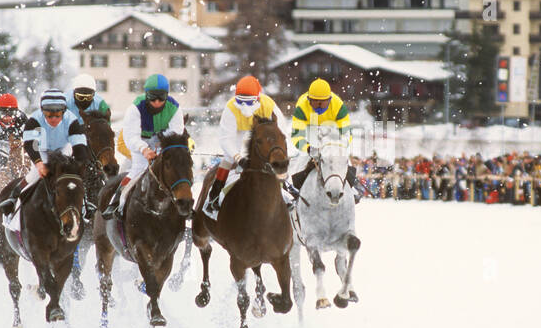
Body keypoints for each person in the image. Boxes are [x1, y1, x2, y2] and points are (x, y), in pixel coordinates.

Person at [200, 75, 287, 219]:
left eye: (249, 102)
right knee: (228, 159)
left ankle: (285, 191)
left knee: (277, 159)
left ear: (258, 98)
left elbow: (281, 134)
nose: (245, 107)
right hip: (238, 130)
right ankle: (214, 194)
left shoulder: (269, 106)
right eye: (240, 101)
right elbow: (226, 139)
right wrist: (238, 158)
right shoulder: (231, 108)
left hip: (263, 132)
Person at [0, 89, 91, 221]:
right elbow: (30, 144)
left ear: (64, 111)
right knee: (34, 175)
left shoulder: (72, 120)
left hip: (63, 149)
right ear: (42, 111)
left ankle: (85, 204)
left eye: (58, 114)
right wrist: (39, 163)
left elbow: (80, 146)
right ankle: (13, 199)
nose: (54, 119)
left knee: (72, 177)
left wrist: (79, 165)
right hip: (42, 150)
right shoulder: (34, 120)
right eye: (48, 114)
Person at [100, 73, 184, 219]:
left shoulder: (175, 108)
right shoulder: (135, 108)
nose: (157, 102)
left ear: (167, 95)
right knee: (139, 169)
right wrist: (144, 149)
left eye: (161, 98)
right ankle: (117, 202)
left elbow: (176, 132)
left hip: (162, 140)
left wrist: (161, 144)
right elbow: (131, 136)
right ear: (146, 95)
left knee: (176, 170)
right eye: (152, 97)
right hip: (140, 140)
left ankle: (184, 204)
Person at [285, 78, 361, 208]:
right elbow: (297, 136)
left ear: (330, 100)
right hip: (310, 133)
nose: (319, 106)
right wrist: (308, 148)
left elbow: (346, 134)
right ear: (309, 100)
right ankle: (293, 192)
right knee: (300, 161)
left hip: (333, 135)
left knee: (342, 160)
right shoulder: (302, 106)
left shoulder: (338, 105)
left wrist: (337, 147)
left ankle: (352, 189)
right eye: (316, 103)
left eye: (323, 103)